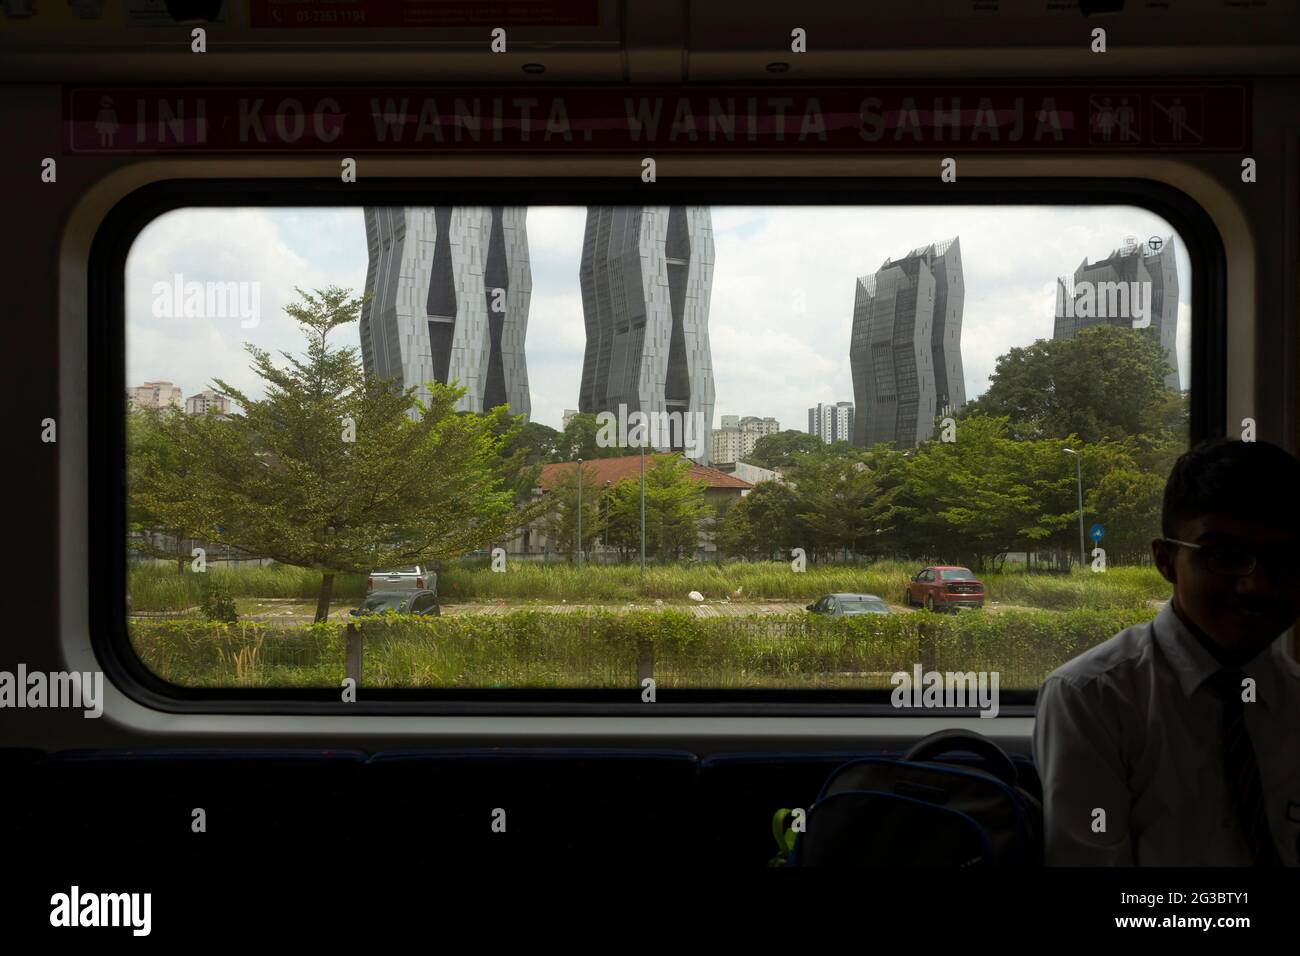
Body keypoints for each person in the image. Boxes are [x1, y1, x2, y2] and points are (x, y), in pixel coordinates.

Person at [1034, 438, 1300, 865]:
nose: (1257, 586)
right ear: (1165, 561)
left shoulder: (1292, 697)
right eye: (1226, 557)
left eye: (1286, 560)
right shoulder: (1094, 697)